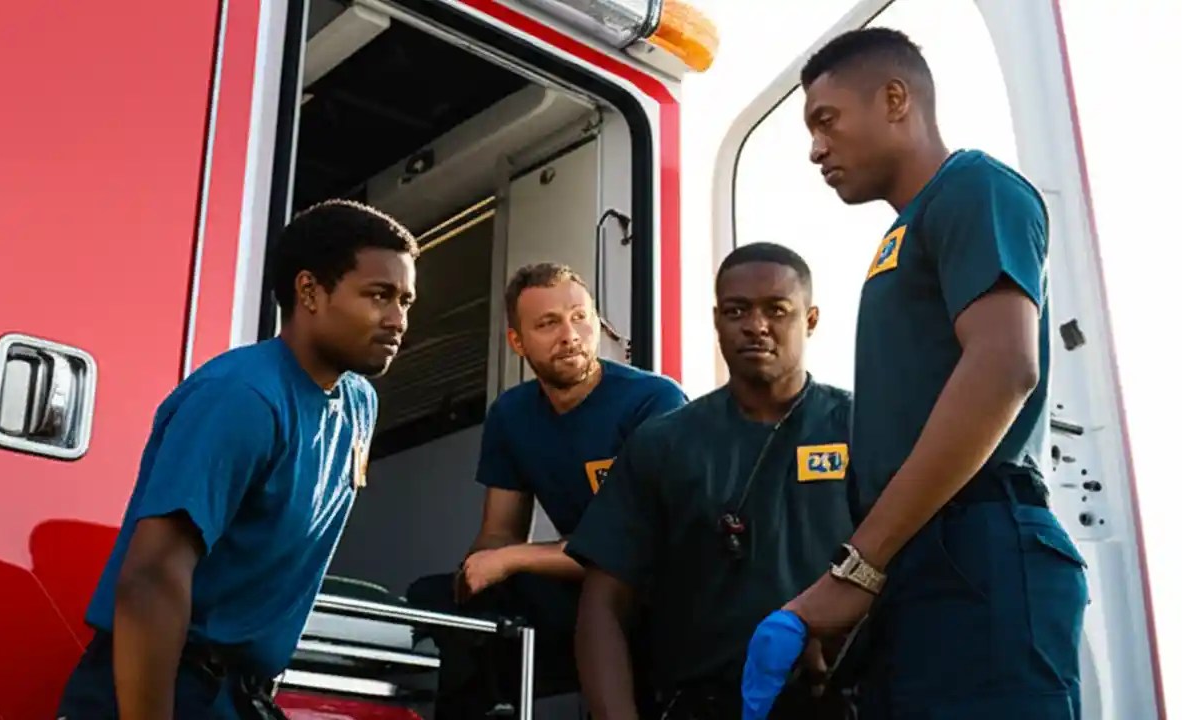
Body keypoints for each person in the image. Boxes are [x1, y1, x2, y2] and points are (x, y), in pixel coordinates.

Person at [759, 27, 1088, 719]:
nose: (815, 148)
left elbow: (1004, 368)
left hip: (981, 551)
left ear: (895, 98)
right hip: (920, 560)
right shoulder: (900, 237)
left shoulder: (976, 187)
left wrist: (859, 567)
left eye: (825, 120)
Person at [55, 200, 419, 720]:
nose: (398, 320)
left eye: (406, 300)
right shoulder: (242, 397)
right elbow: (152, 576)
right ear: (310, 291)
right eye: (379, 295)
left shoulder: (360, 403)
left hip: (240, 695)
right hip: (160, 690)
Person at [567, 243, 857, 720]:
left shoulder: (863, 429)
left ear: (811, 320)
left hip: (841, 701)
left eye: (777, 310)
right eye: (737, 310)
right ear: (717, 320)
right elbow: (602, 606)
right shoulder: (663, 444)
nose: (756, 326)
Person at [405, 262, 687, 719]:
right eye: (548, 323)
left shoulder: (653, 401)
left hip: (658, 591)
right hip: (580, 580)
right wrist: (476, 573)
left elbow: (639, 548)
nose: (570, 334)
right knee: (438, 600)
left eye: (580, 316)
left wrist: (512, 558)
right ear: (517, 342)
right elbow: (498, 533)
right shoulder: (511, 415)